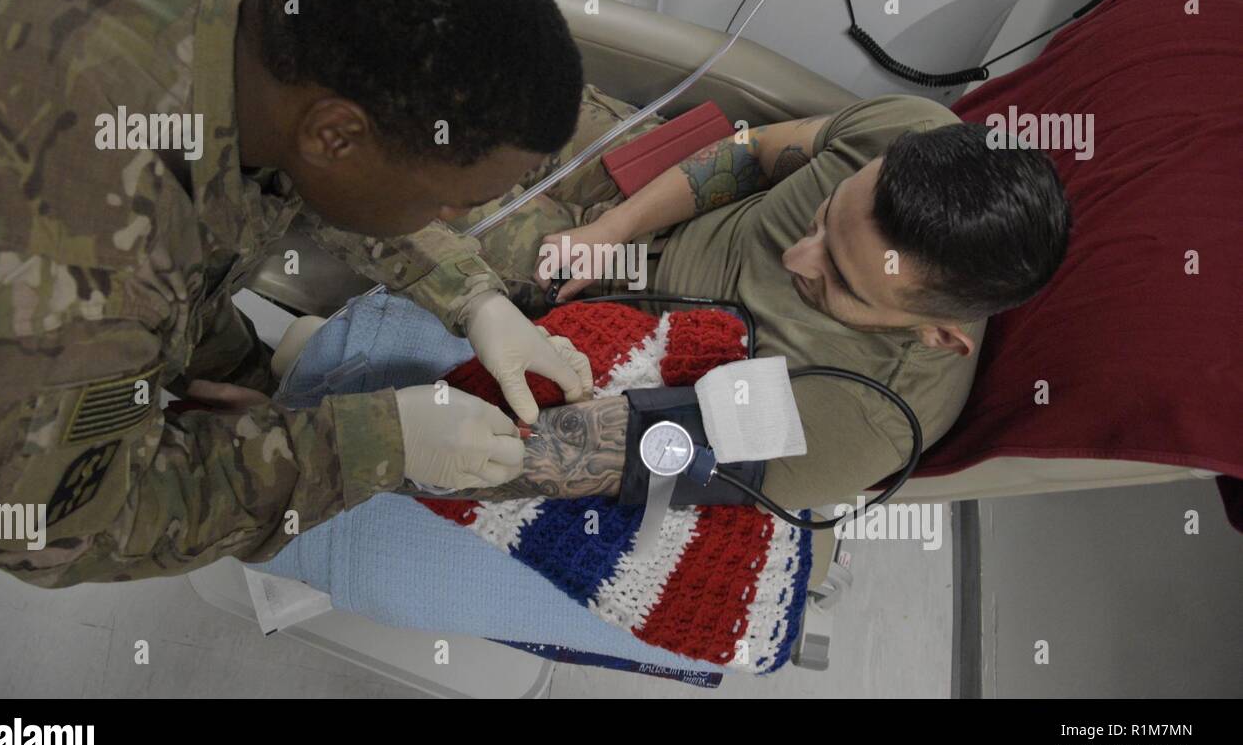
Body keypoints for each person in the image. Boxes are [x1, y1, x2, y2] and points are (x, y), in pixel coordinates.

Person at [0, 0, 595, 585]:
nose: (450, 217)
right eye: (446, 199)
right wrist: (373, 444)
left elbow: (311, 164)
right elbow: (56, 529)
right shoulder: (67, 265)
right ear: (335, 137)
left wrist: (472, 295)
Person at [421, 93, 1073, 512]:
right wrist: (612, 229)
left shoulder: (852, 420)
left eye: (839, 279)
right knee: (448, 94)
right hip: (654, 197)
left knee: (401, 181)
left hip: (613, 328)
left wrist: (408, 441)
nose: (798, 257)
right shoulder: (910, 129)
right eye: (822, 219)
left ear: (938, 335)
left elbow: (587, 449)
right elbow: (757, 154)